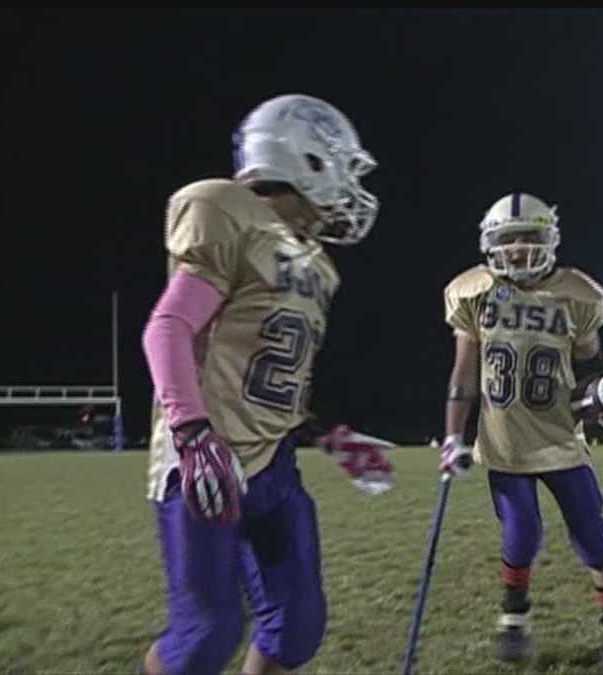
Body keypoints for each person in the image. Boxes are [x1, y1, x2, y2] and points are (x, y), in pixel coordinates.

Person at [139, 94, 395, 675]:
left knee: (297, 625)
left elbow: (273, 376)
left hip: (273, 462)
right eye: (342, 168)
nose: (349, 188)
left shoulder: (316, 262)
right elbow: (168, 327)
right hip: (206, 463)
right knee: (206, 634)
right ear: (306, 159)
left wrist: (331, 436)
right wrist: (192, 433)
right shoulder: (226, 208)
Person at [438, 192, 603, 664]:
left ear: (550, 239)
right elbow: (463, 376)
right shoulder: (474, 291)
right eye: (509, 240)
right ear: (491, 245)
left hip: (562, 439)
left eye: (530, 237)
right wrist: (453, 436)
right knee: (521, 534)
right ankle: (514, 618)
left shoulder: (577, 293)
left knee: (592, 537)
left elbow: (591, 360)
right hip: (504, 442)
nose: (519, 249)